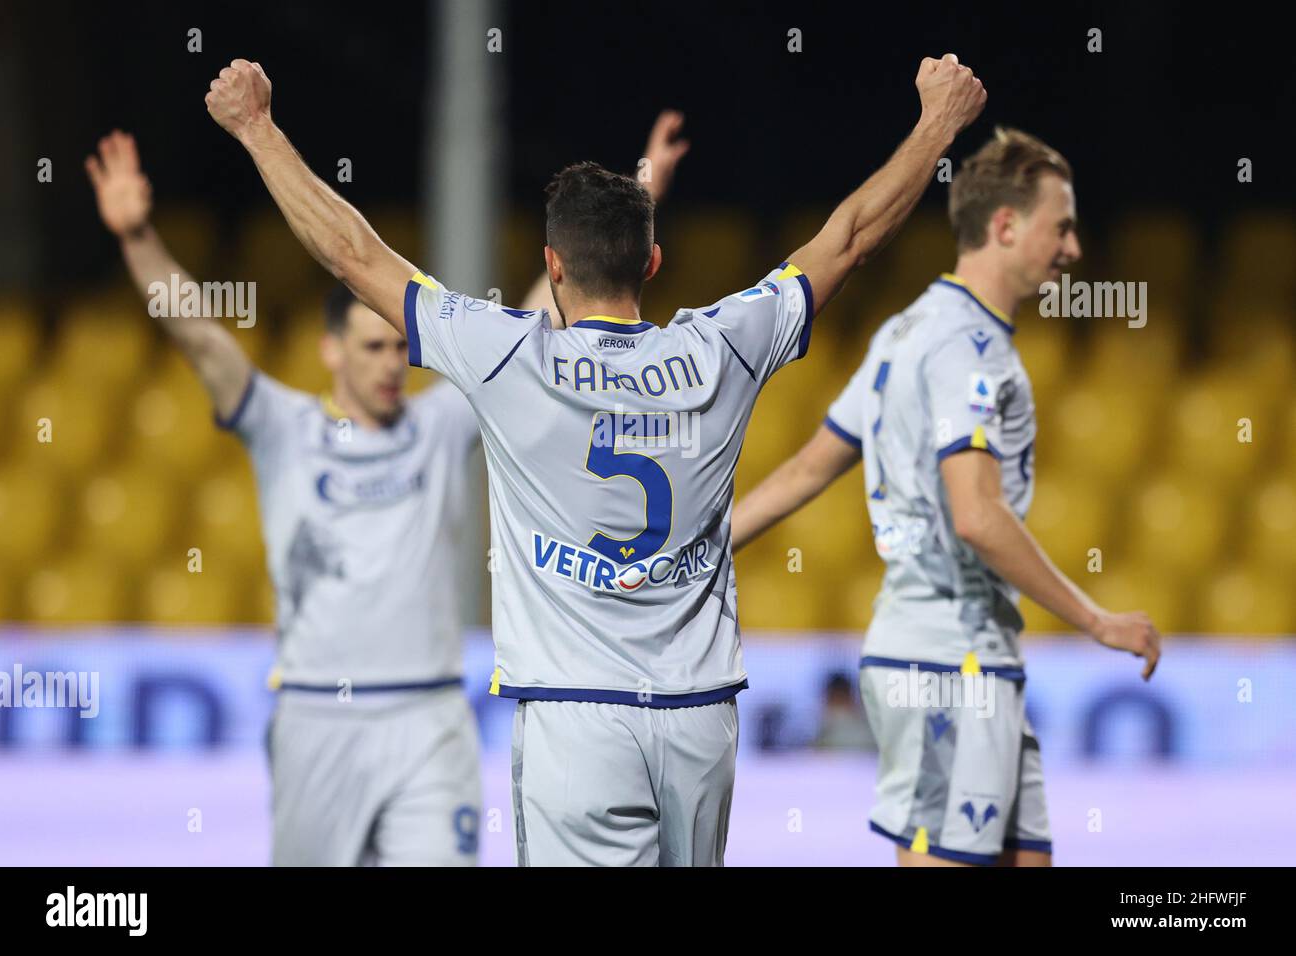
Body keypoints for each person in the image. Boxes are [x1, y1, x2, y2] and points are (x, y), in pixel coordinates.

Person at [202, 53, 986, 866]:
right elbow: (849, 239)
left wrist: (258, 130)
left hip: (575, 717)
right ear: (650, 263)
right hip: (699, 715)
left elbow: (352, 255)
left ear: (551, 267)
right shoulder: (723, 345)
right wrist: (937, 124)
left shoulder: (508, 356)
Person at [731, 127, 1162, 867]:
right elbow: (977, 515)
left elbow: (807, 470)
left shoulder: (906, 330)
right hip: (947, 668)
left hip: (960, 659)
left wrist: (691, 552)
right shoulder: (967, 347)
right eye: (1061, 227)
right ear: (1005, 225)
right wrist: (1096, 620)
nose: (1073, 250)